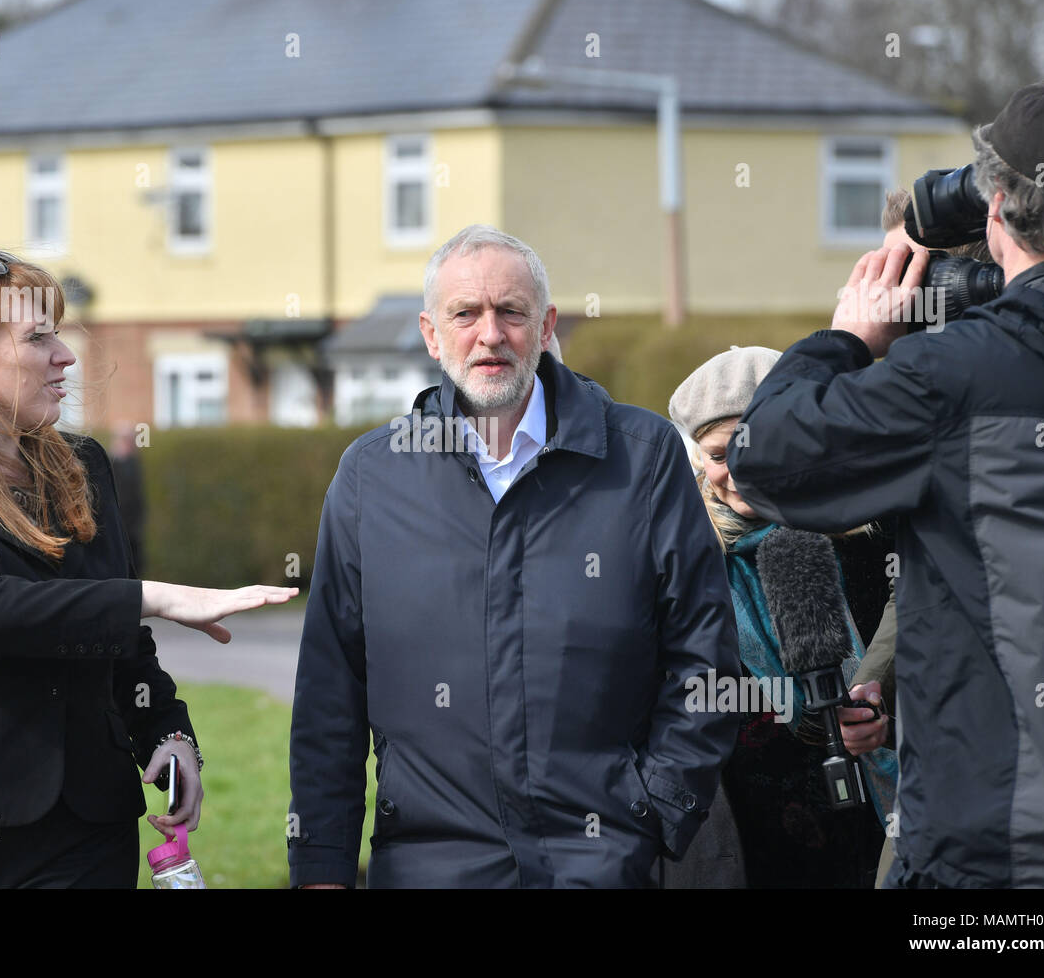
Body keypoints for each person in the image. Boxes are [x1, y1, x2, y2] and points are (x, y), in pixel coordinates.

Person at [287, 224, 740, 888]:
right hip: (429, 870)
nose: (490, 335)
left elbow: (705, 657)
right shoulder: (372, 478)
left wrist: (650, 814)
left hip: (603, 864)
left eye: (511, 312)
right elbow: (331, 695)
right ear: (431, 333)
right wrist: (322, 865)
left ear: (547, 324)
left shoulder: (640, 458)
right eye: (465, 314)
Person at [728, 81, 1044, 887]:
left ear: (996, 208)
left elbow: (766, 459)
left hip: (996, 842)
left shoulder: (959, 374)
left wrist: (849, 336)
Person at [0, 250, 297, 888]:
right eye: (39, 337)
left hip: (85, 827)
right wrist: (151, 596)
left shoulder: (84, 466)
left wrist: (165, 729)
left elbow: (120, 640)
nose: (67, 355)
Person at [667, 346, 896, 888]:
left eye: (758, 449)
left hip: (884, 818)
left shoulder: (873, 537)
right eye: (722, 456)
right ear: (699, 458)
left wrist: (883, 719)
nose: (740, 473)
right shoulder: (681, 559)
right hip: (749, 834)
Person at [108, 421, 147, 575]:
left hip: (132, 528)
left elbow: (137, 496)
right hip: (118, 525)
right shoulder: (111, 462)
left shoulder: (134, 462)